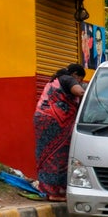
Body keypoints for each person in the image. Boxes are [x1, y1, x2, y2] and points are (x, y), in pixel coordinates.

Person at [33, 63, 87, 201]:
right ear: (75, 75)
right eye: (80, 79)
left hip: (42, 119)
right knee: (58, 155)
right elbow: (79, 92)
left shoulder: (55, 80)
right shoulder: (68, 79)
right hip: (56, 122)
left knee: (46, 155)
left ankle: (47, 190)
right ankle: (55, 193)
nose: (79, 82)